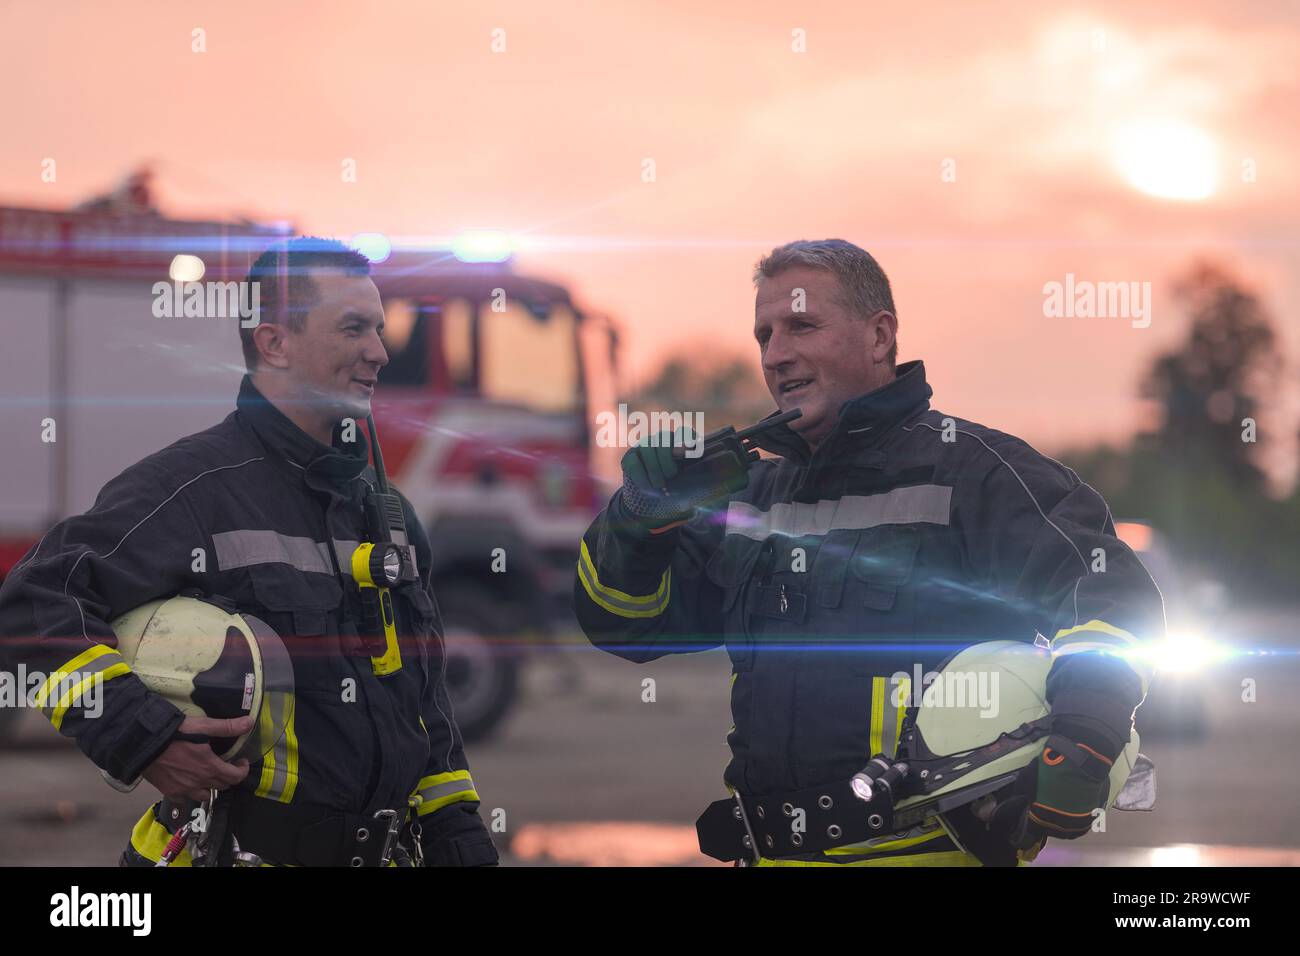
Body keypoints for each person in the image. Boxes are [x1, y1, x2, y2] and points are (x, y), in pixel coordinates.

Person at [574, 239, 1164, 866]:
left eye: (802, 326)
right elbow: (625, 623)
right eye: (765, 335)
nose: (777, 355)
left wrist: (1090, 732)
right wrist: (639, 520)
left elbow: (1111, 596)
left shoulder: (977, 473)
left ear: (880, 336)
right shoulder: (750, 498)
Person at [0, 237, 497, 866]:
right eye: (353, 329)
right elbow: (36, 599)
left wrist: (459, 836)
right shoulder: (193, 487)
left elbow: (423, 704)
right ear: (275, 344)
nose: (379, 351)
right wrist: (143, 740)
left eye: (378, 327)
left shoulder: (387, 513)